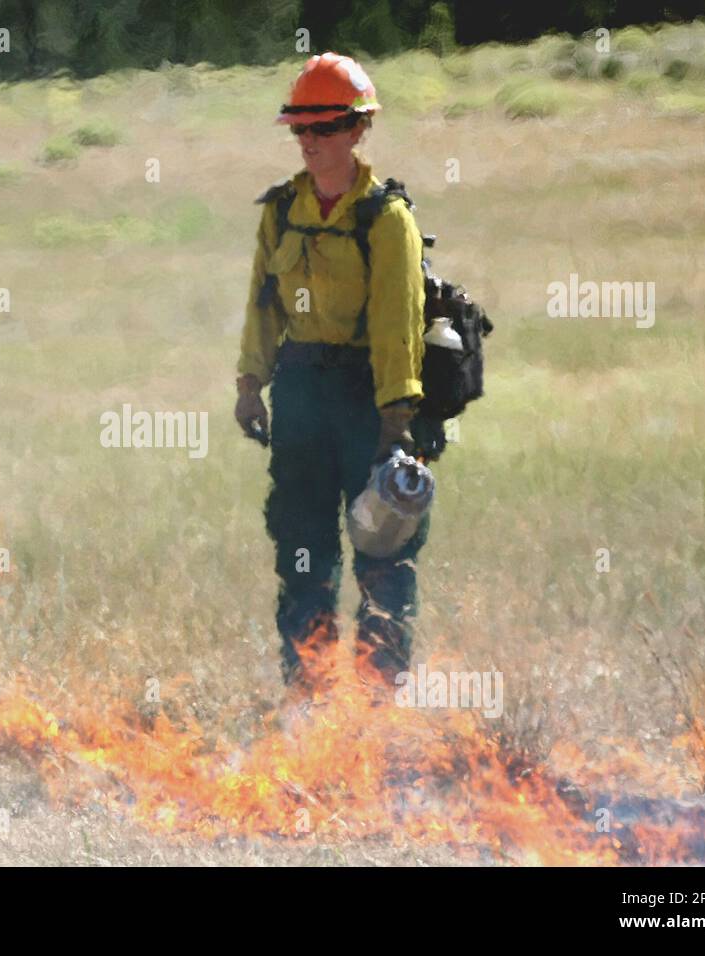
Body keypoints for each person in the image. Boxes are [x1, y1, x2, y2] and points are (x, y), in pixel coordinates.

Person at [234, 52, 429, 689]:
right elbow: (264, 302)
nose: (309, 142)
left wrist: (396, 421)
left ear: (357, 128)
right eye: (300, 130)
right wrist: (249, 384)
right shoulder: (281, 210)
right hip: (299, 397)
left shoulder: (386, 217)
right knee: (303, 555)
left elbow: (399, 323)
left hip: (368, 399)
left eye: (323, 128)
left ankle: (378, 710)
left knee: (383, 560)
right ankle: (308, 702)